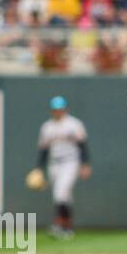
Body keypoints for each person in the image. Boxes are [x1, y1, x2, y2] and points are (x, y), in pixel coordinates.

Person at [35, 96, 91, 239]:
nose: (57, 112)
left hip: (70, 162)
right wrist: (38, 168)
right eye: (55, 109)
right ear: (51, 110)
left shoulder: (73, 124)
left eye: (60, 109)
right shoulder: (47, 127)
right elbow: (44, 150)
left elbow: (82, 145)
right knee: (63, 197)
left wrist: (85, 164)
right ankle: (66, 227)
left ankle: (60, 226)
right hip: (54, 163)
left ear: (65, 109)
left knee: (60, 193)